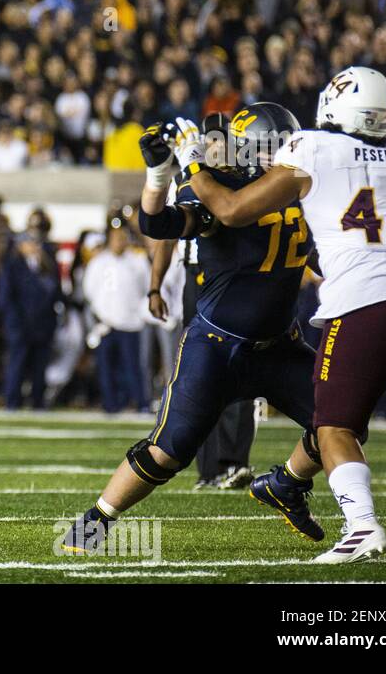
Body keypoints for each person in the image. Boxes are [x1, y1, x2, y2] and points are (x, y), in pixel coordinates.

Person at [174, 67, 386, 563]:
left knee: (333, 426)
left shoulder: (312, 148)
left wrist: (191, 165)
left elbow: (233, 210)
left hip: (366, 299)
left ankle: (361, 527)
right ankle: (287, 482)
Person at [64, 103, 331, 555]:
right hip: (217, 346)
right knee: (168, 450)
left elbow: (330, 258)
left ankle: (287, 483)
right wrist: (156, 176)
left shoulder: (306, 191)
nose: (287, 152)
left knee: (341, 420)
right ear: (250, 151)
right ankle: (95, 521)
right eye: (275, 145)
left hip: (280, 346)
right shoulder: (219, 184)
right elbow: (158, 224)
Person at [147, 112, 256, 490]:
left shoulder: (246, 178)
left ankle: (232, 462)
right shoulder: (185, 179)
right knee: (199, 370)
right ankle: (209, 469)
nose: (215, 147)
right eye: (210, 140)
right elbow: (166, 234)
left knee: (240, 367)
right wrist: (154, 285)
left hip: (234, 279)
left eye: (222, 140)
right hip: (197, 281)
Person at [82, 222, 149, 413]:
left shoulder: (137, 260)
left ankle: (139, 402)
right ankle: (110, 404)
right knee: (106, 367)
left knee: (132, 366)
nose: (119, 241)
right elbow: (89, 290)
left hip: (130, 322)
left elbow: (146, 287)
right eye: (115, 237)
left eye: (122, 237)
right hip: (106, 322)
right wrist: (100, 313)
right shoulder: (99, 262)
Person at [0, 233, 61, 410]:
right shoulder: (12, 266)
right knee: (17, 364)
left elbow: (57, 293)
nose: (34, 246)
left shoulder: (46, 266)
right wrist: (13, 322)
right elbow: (5, 298)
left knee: (39, 367)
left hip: (42, 324)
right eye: (29, 242)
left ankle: (38, 402)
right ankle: (12, 402)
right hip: (20, 325)